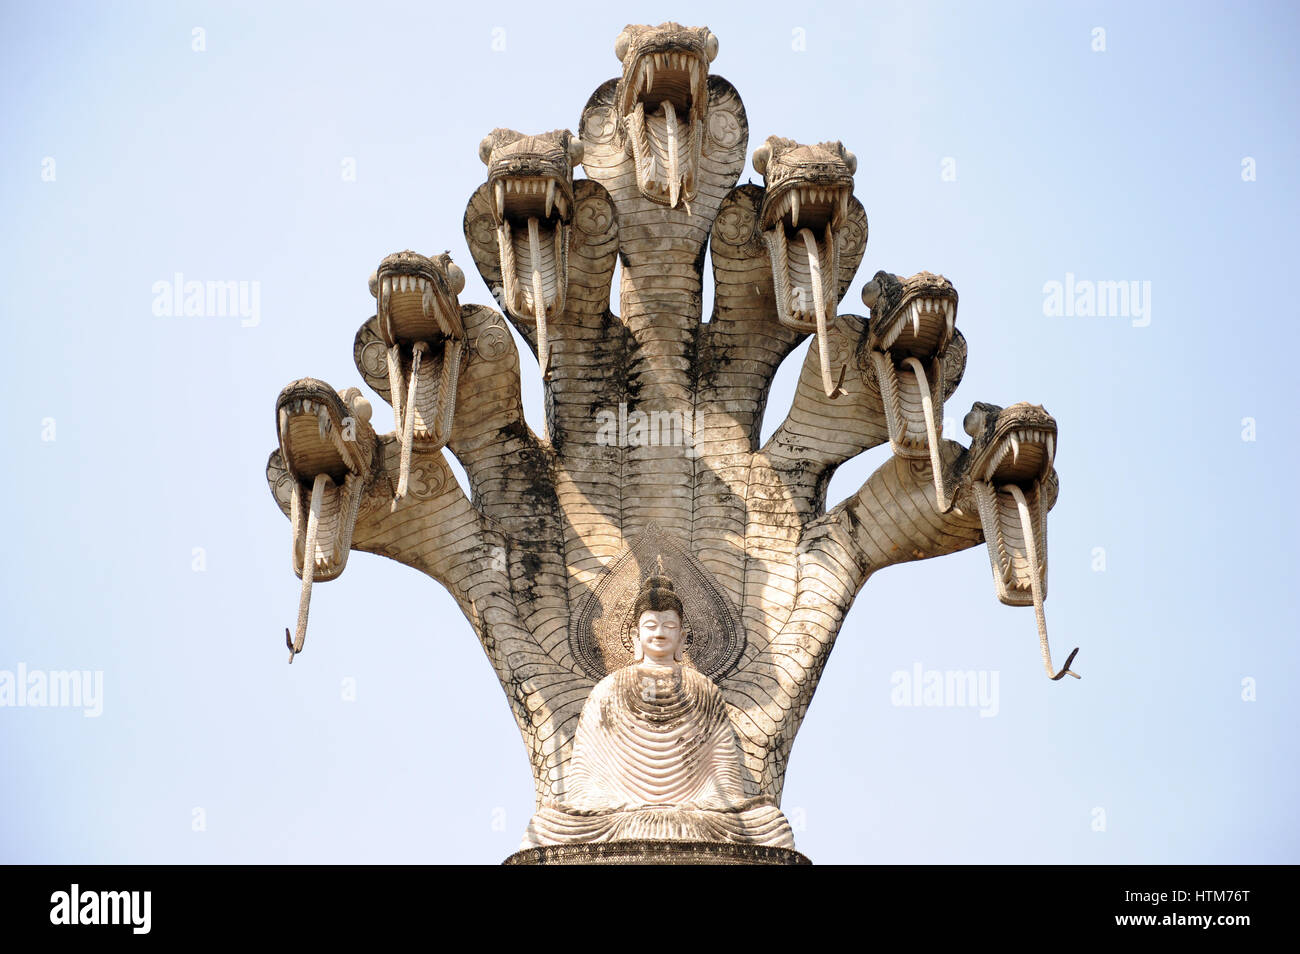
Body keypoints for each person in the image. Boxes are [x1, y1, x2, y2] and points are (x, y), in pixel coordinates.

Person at [521, 574, 795, 848]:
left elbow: (723, 774)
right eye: (650, 625)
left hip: (696, 815)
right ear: (635, 635)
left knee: (771, 825)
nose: (660, 632)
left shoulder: (704, 689)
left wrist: (708, 803)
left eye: (669, 626)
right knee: (544, 827)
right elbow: (586, 777)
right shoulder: (608, 689)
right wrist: (610, 803)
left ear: (682, 637)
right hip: (618, 815)